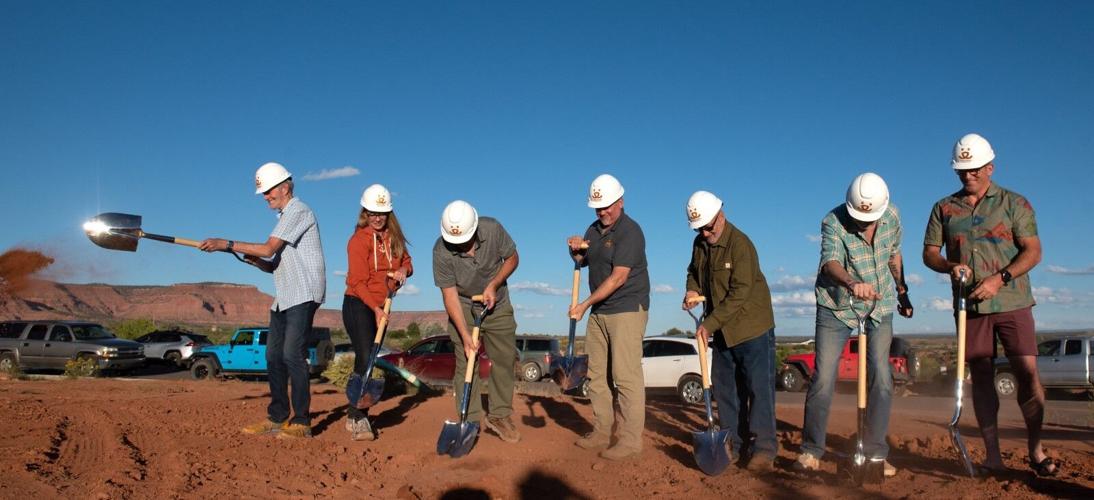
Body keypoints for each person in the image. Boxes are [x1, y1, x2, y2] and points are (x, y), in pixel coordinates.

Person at [922, 133, 1055, 477]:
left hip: (1013, 302)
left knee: (1027, 373)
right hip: (971, 308)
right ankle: (992, 455)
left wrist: (1000, 278)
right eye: (962, 170)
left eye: (974, 169)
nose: (968, 175)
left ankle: (1036, 450)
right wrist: (949, 266)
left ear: (990, 167)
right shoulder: (944, 208)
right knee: (981, 378)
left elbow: (1033, 251)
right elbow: (930, 253)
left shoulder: (1015, 204)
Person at [794, 172, 912, 476]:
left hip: (879, 304)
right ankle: (811, 451)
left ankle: (875, 455)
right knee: (823, 378)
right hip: (837, 307)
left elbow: (894, 256)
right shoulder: (833, 221)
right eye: (859, 216)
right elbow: (830, 263)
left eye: (869, 217)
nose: (864, 222)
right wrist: (852, 282)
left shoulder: (894, 216)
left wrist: (902, 290)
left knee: (882, 377)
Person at [200, 162, 326, 439]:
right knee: (272, 355)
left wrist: (227, 244)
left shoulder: (298, 211)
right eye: (264, 193)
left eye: (268, 191)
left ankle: (302, 421)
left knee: (292, 354)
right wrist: (258, 263)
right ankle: (278, 417)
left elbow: (269, 248)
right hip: (284, 296)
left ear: (285, 187)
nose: (266, 196)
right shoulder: (284, 218)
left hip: (303, 294)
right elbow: (273, 262)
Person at [682, 190, 778, 472]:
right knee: (725, 392)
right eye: (699, 228)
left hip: (752, 329)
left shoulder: (740, 244)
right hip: (723, 332)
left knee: (758, 391)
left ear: (720, 215)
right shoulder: (699, 244)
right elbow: (693, 271)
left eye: (708, 226)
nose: (705, 232)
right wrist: (692, 288)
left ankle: (763, 449)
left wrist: (709, 324)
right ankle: (733, 446)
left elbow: (740, 292)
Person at [567, 174, 650, 461]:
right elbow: (583, 260)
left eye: (608, 206)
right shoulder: (593, 229)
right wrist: (575, 250)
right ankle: (602, 430)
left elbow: (618, 278)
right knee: (597, 376)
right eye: (598, 207)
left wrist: (584, 304)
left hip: (626, 308)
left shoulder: (631, 231)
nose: (603, 212)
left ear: (621, 201)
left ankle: (629, 440)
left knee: (625, 377)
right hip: (600, 312)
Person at [432, 200, 521, 443]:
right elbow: (449, 294)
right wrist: (464, 333)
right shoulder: (440, 250)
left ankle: (500, 415)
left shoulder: (492, 229)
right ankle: (469, 419)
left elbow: (513, 258)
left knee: (503, 359)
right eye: (454, 242)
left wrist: (493, 284)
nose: (459, 245)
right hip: (463, 304)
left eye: (463, 240)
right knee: (465, 362)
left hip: (497, 302)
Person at [342, 184, 412, 441]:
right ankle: (360, 418)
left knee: (371, 357)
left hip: (383, 305)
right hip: (358, 304)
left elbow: (407, 262)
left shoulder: (393, 238)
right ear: (365, 212)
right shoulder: (358, 241)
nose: (377, 217)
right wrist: (374, 309)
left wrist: (404, 270)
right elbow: (358, 282)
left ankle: (353, 413)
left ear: (389, 213)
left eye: (382, 212)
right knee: (365, 356)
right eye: (372, 212)